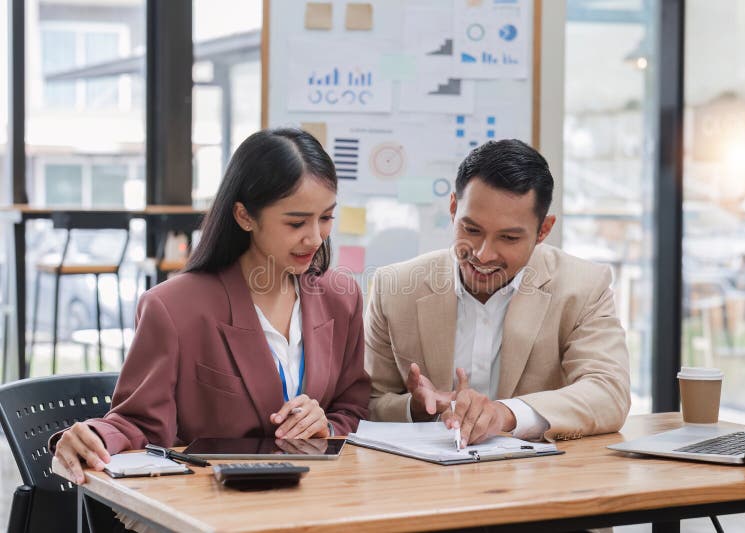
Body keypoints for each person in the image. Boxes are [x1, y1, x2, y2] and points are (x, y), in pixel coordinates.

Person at [53, 128, 370, 484]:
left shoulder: (341, 298)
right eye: (296, 222)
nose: (314, 238)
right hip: (215, 500)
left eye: (325, 218)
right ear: (245, 216)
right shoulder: (172, 308)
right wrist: (95, 436)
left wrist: (326, 427)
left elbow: (353, 408)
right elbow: (139, 423)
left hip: (323, 498)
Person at [365, 139, 630, 446]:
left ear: (543, 230)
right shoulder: (394, 287)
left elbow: (609, 392)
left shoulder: (584, 286)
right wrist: (417, 408)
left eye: (508, 238)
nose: (483, 254)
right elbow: (367, 402)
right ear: (453, 209)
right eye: (472, 230)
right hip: (421, 472)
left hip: (538, 473)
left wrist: (505, 414)